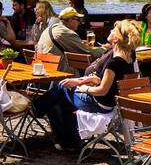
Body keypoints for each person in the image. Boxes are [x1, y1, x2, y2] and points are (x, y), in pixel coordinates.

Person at [34, 20, 139, 151]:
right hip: (110, 102)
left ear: (116, 39)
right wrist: (80, 81)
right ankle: (70, 142)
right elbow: (101, 81)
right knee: (59, 103)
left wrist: (85, 88)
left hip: (99, 103)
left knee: (62, 86)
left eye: (113, 30)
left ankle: (35, 109)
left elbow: (102, 90)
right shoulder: (128, 57)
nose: (110, 31)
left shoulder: (114, 62)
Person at [33, 3, 98, 71]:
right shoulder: (67, 33)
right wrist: (105, 49)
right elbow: (89, 53)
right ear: (70, 20)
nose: (80, 23)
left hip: (44, 68)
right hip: (59, 72)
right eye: (78, 20)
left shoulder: (51, 28)